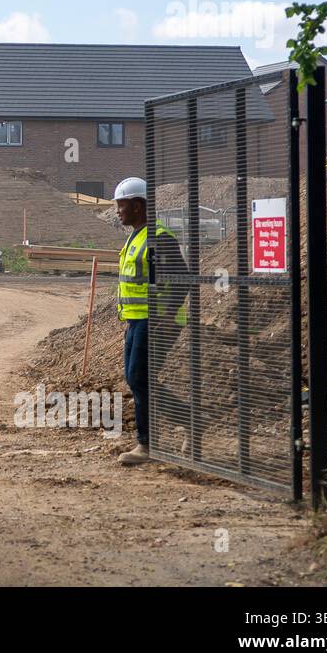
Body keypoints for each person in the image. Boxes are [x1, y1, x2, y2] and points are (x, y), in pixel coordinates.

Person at [112, 177, 187, 466]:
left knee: (138, 377)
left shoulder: (158, 238)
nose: (117, 210)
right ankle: (190, 421)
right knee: (136, 378)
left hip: (156, 321)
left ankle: (147, 444)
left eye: (121, 205)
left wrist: (166, 317)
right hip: (137, 321)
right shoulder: (138, 236)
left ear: (137, 206)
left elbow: (182, 278)